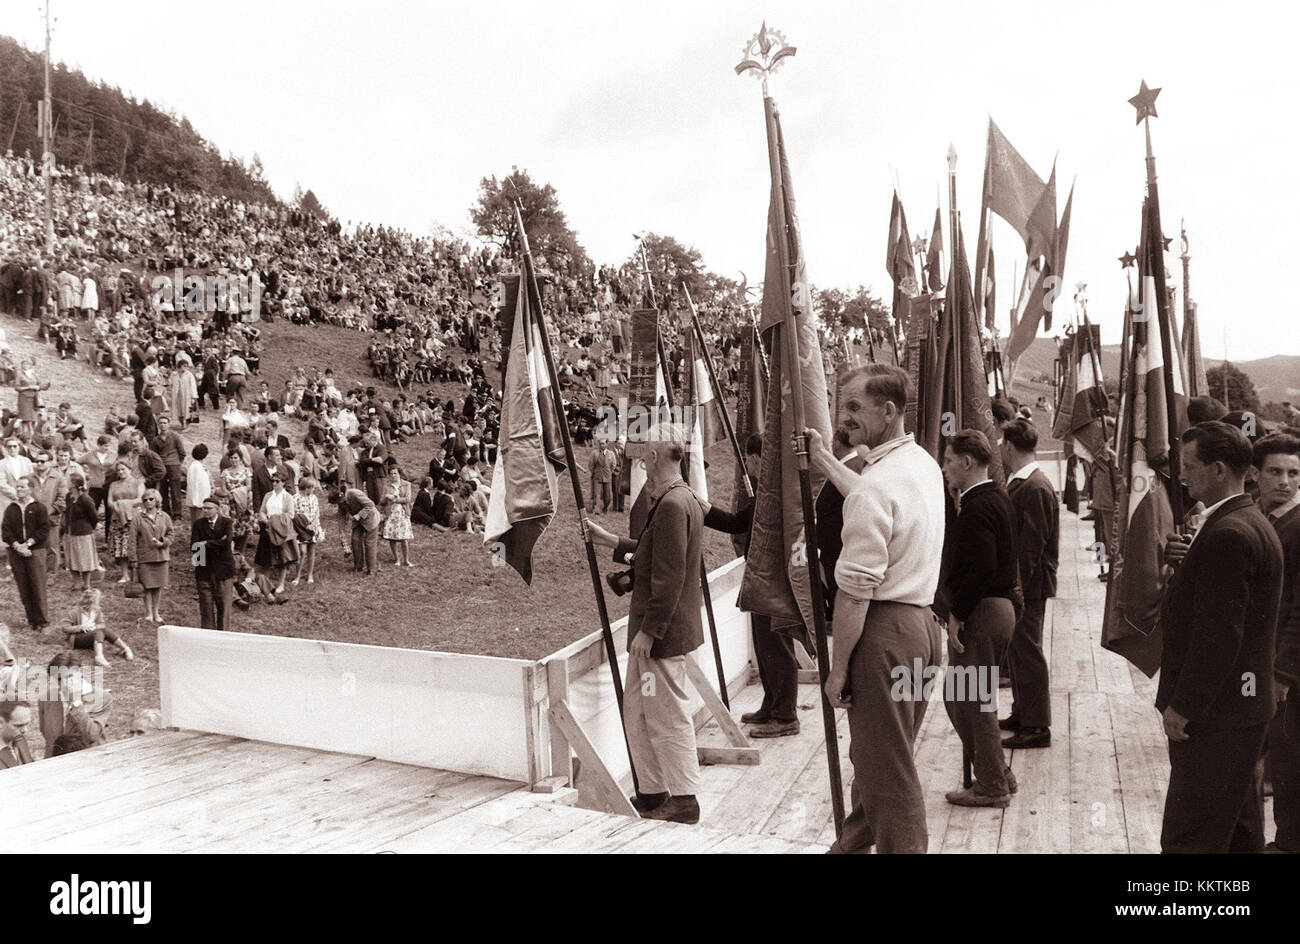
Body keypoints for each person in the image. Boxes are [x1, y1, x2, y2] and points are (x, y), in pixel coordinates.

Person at [805, 363, 945, 854]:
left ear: (888, 411)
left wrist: (838, 669)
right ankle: (848, 846)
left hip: (882, 632)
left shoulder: (878, 482)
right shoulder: (919, 464)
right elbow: (870, 494)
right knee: (883, 755)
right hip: (923, 629)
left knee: (887, 772)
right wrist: (825, 460)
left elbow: (855, 592)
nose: (844, 419)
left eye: (854, 407)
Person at [1157, 421, 1283, 853]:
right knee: (1238, 829)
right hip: (1242, 710)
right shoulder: (1246, 521)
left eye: (1190, 466)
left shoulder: (1228, 534)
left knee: (1190, 835)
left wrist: (1183, 707)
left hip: (1217, 715)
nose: (1182, 475)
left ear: (1218, 470)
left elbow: (1218, 638)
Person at [585, 422, 705, 825]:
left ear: (654, 456)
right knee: (638, 711)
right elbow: (654, 552)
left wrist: (650, 632)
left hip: (659, 636)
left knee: (666, 716)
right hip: (656, 633)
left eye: (643, 452)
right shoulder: (679, 498)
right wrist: (612, 543)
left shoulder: (672, 504)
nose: (639, 457)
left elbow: (668, 576)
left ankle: (685, 800)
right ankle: (652, 793)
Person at [939, 430, 1020, 807]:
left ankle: (991, 785)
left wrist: (957, 613)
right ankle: (996, 772)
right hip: (995, 609)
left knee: (972, 700)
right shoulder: (996, 498)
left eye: (949, 460)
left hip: (982, 611)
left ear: (967, 463)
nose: (944, 468)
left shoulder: (976, 506)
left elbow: (984, 565)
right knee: (963, 697)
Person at [701, 435, 799, 738]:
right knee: (765, 646)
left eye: (750, 458)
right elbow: (735, 523)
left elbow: (735, 523)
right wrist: (703, 508)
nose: (750, 464)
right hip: (763, 580)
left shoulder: (772, 495)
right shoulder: (767, 494)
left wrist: (701, 507)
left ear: (757, 459)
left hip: (774, 582)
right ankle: (772, 705)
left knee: (777, 648)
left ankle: (785, 715)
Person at [1250, 433, 1300, 852]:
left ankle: (1287, 843)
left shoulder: (1297, 526)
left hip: (1286, 669)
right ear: (1256, 474)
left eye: (1294, 472)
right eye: (1276, 471)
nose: (1285, 481)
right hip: (1260, 661)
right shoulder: (1265, 519)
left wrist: (1283, 673)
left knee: (1289, 760)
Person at [999, 419, 1057, 750]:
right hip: (1025, 585)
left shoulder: (1034, 487)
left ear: (1009, 447)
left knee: (1028, 652)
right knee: (1019, 651)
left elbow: (1031, 547)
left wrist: (1014, 589)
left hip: (1028, 587)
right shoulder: (1027, 482)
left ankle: (1037, 725)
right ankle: (1023, 712)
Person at [3, 476, 51, 634]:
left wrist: (28, 544)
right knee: (23, 586)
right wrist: (17, 546)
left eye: (22, 487)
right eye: (17, 487)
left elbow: (44, 529)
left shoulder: (39, 507)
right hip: (16, 552)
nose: (19, 490)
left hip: (35, 551)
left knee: (37, 585)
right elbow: (6, 531)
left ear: (30, 489)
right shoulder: (11, 508)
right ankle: (32, 620)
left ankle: (43, 622)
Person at [191, 493, 236, 631]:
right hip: (203, 570)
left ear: (217, 509)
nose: (204, 510)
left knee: (224, 606)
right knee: (206, 607)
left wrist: (206, 543)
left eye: (208, 508)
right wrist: (216, 543)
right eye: (203, 508)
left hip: (223, 571)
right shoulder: (198, 524)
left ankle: (223, 636)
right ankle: (208, 635)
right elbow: (194, 546)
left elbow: (227, 542)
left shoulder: (227, 522)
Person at [131, 488, 173, 623]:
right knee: (147, 586)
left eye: (151, 499)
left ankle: (156, 612)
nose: (148, 502)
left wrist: (163, 542)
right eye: (145, 500)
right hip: (145, 557)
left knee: (158, 586)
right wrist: (133, 559)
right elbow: (132, 540)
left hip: (161, 556)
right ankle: (148, 613)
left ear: (157, 500)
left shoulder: (164, 516)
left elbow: (171, 534)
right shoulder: (138, 517)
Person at [63, 588, 133, 667]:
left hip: (92, 636)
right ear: (89, 602)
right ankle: (99, 657)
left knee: (103, 629)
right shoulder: (74, 612)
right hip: (77, 638)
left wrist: (95, 626)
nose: (97, 603)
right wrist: (81, 627)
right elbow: (65, 628)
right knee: (99, 631)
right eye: (96, 601)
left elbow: (102, 624)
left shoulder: (96, 611)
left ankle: (126, 648)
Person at [107, 459, 143, 583]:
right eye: (118, 470)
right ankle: (125, 574)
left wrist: (124, 504)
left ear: (130, 469)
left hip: (133, 518)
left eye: (123, 469)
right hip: (118, 518)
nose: (121, 472)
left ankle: (137, 574)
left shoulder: (138, 482)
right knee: (121, 546)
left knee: (134, 545)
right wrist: (117, 507)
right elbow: (109, 501)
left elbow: (141, 499)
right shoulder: (113, 485)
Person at [63, 474, 100, 589]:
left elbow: (94, 517)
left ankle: (86, 584)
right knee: (71, 558)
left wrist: (88, 528)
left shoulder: (86, 499)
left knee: (85, 558)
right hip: (70, 532)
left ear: (74, 484)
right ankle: (76, 583)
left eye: (68, 481)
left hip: (84, 534)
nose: (66, 482)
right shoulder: (69, 496)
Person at [379, 460, 414, 566]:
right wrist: (385, 498)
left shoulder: (406, 485)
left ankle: (406, 560)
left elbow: (407, 499)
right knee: (392, 538)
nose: (393, 475)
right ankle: (396, 559)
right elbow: (381, 501)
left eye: (395, 473)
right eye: (391, 474)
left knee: (404, 538)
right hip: (391, 513)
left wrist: (394, 498)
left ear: (399, 474)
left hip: (402, 513)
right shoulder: (387, 486)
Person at [339, 487, 381, 575]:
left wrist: (359, 515)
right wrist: (341, 531)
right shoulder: (340, 501)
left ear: (343, 495)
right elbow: (342, 516)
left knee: (369, 543)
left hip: (371, 518)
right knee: (355, 540)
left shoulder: (355, 494)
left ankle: (372, 570)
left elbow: (370, 505)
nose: (339, 503)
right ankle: (358, 567)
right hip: (358, 521)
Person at [291, 476, 324, 585]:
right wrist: (303, 525)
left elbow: (317, 512)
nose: (313, 490)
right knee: (302, 552)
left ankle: (310, 574)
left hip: (313, 527)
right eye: (312, 487)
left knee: (311, 551)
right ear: (307, 488)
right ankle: (297, 575)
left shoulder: (314, 497)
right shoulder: (295, 498)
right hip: (301, 529)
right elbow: (294, 515)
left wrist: (313, 524)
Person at [0, 701, 35, 769]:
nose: (25, 730)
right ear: (1, 722)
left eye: (27, 724)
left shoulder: (20, 740)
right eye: (19, 726)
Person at [186, 443, 211, 523]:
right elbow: (202, 485)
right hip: (199, 498)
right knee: (198, 520)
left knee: (195, 520)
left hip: (195, 497)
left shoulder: (194, 466)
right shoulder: (198, 468)